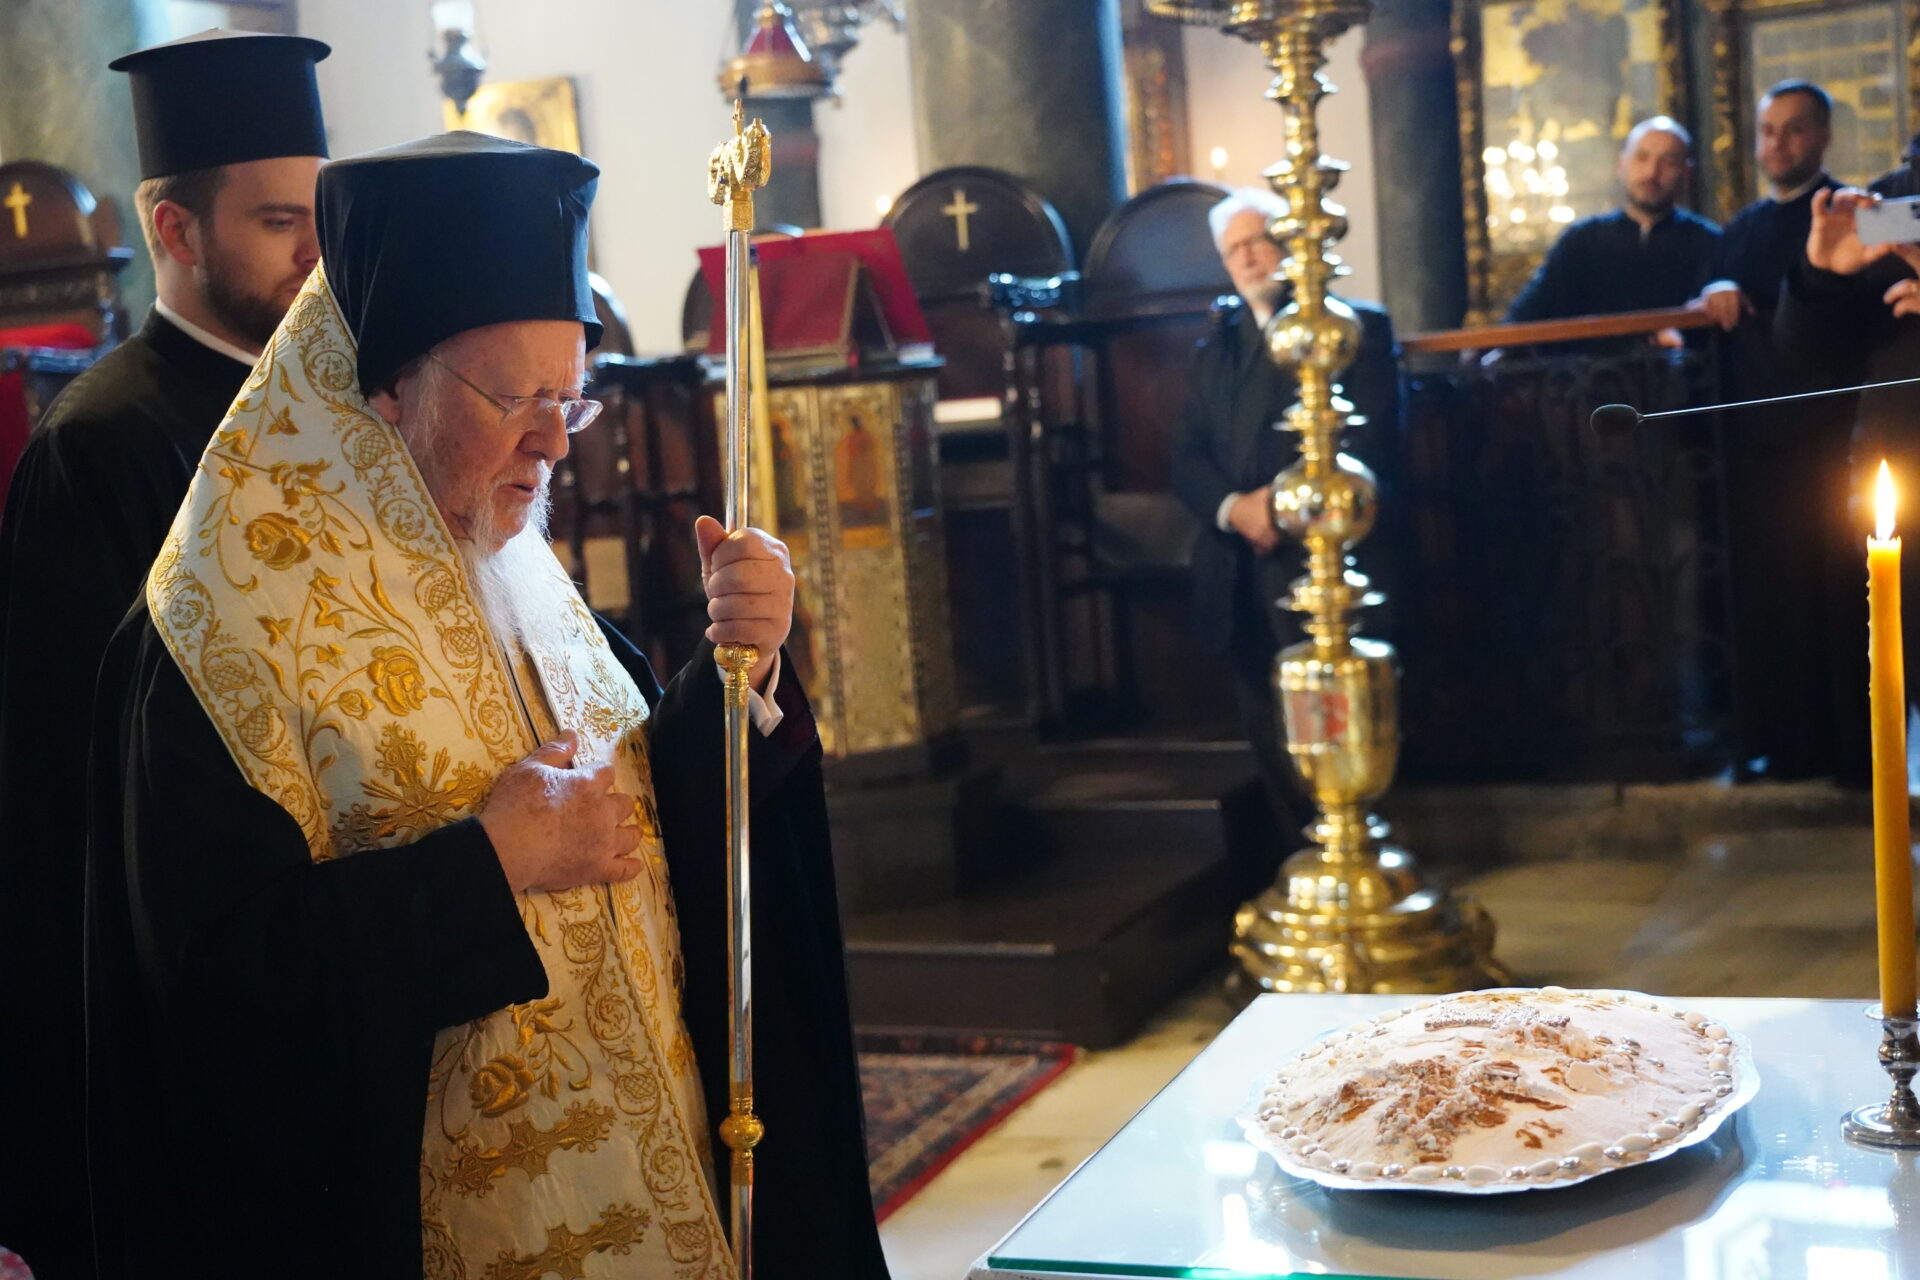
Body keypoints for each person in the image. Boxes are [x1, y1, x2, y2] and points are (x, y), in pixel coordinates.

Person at [82, 133, 889, 1279]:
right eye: (516, 396)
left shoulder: (511, 561)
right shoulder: (218, 639)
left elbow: (638, 804)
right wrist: (487, 862)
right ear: (386, 387)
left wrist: (738, 674)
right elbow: (209, 1005)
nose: (556, 441)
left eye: (575, 398)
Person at [0, 30, 329, 1280]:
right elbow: (54, 809)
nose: (314, 253)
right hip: (184, 991)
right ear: (176, 231)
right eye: (277, 220)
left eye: (322, 216)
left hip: (333, 964)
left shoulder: (343, 418)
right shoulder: (99, 446)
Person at [1171, 188, 1400, 841]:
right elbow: (1185, 456)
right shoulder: (1214, 348)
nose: (1248, 258)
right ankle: (1293, 850)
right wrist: (1233, 508)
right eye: (1233, 250)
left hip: (1322, 563)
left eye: (1259, 241)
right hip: (1238, 566)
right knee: (1264, 719)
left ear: (1292, 243)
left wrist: (1277, 504)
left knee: (1333, 716)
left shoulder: (1356, 329)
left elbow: (1370, 441)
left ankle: (1350, 844)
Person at [1687, 81, 1850, 780]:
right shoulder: (1738, 231)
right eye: (1767, 131)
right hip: (1756, 449)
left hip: (1832, 440)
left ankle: (1854, 756)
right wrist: (1709, 297)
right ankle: (1779, 746)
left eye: (1793, 131)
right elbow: (1706, 310)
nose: (1777, 145)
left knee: (1842, 600)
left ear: (1822, 137)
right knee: (1770, 597)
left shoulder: (1848, 212)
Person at [1504, 117, 1720, 327]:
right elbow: (1524, 317)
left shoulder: (1709, 243)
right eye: (1641, 157)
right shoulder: (1581, 240)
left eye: (1668, 162)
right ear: (1621, 164)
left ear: (1686, 173)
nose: (1651, 172)